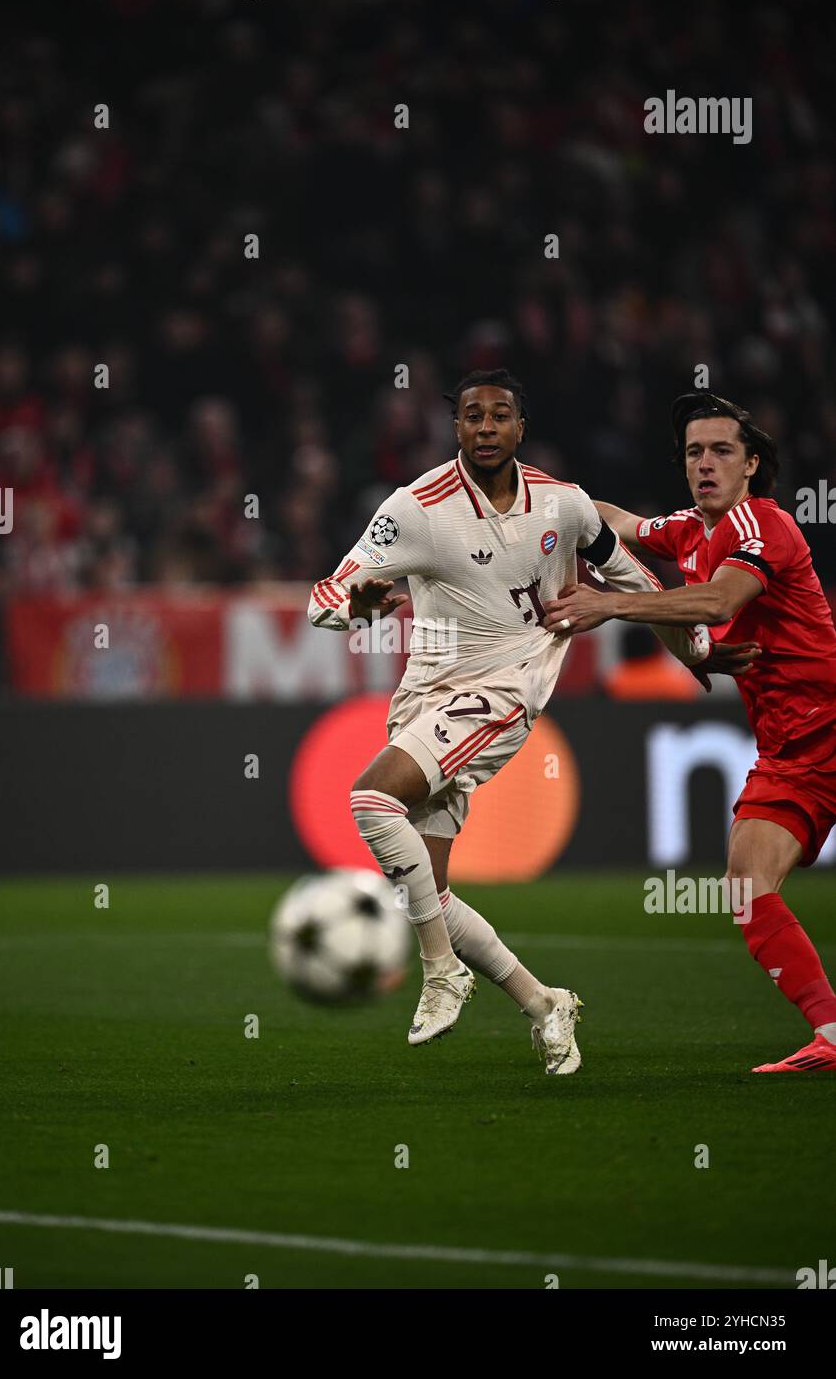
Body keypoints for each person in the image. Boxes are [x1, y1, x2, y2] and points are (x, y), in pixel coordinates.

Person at [307, 370, 722, 1074]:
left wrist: (696, 648)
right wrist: (360, 606)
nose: (487, 427)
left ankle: (440, 973)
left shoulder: (565, 506)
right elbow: (325, 594)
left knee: (371, 799)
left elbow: (631, 581)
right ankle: (544, 1003)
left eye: (501, 415)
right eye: (473, 416)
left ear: (520, 428)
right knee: (429, 893)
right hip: (427, 692)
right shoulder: (416, 509)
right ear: (457, 428)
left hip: (506, 692)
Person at [543, 392, 836, 1073]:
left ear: (751, 463)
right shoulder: (689, 530)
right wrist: (537, 494)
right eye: (693, 453)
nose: (705, 464)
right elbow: (618, 523)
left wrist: (609, 603)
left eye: (721, 451)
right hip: (792, 751)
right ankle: (830, 1034)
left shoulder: (766, 525)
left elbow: (719, 600)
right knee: (745, 883)